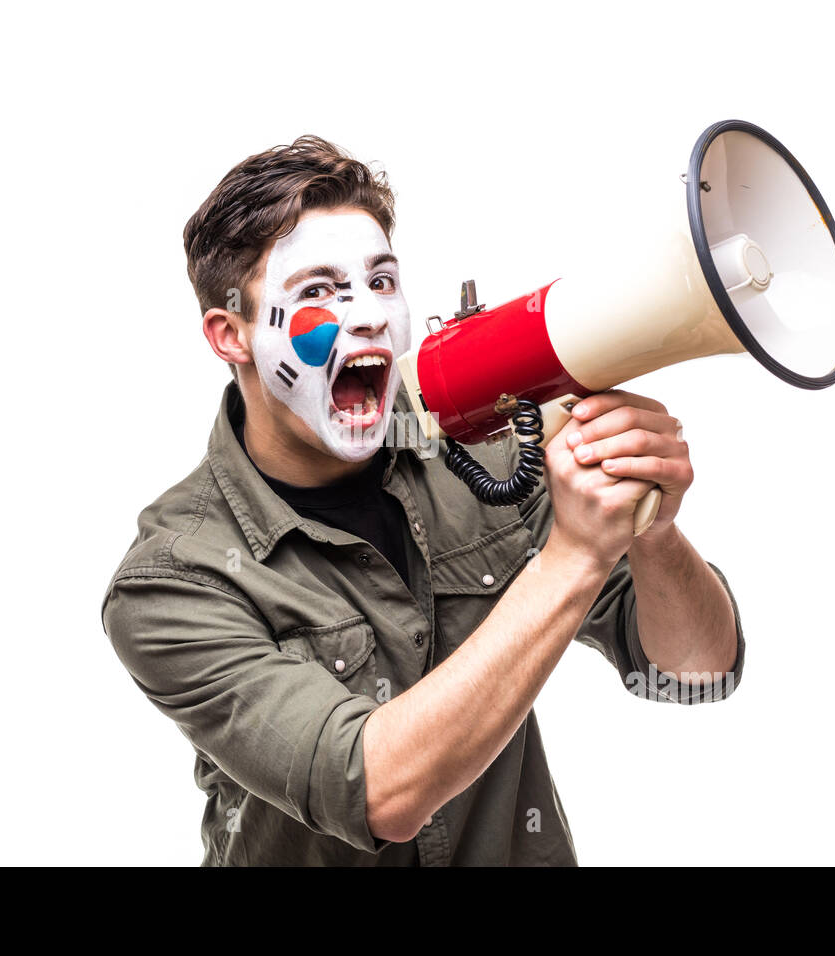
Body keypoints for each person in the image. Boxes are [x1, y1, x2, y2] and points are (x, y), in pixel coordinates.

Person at [100, 135, 745, 866]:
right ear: (231, 335)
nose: (369, 314)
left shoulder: (481, 448)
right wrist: (572, 557)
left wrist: (650, 528)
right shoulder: (172, 581)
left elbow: (698, 675)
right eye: (316, 291)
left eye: (381, 282)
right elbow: (379, 794)